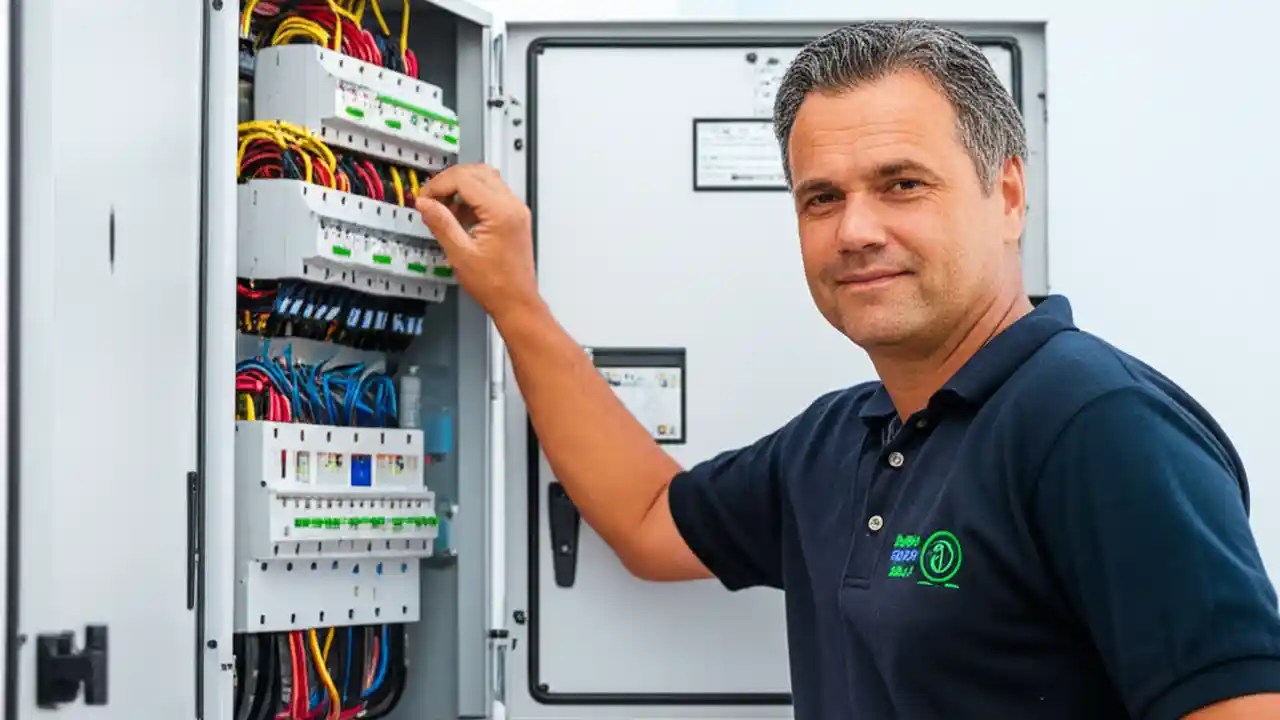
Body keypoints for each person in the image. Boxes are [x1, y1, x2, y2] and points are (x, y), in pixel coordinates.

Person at [414, 19, 1280, 720]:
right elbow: (646, 517)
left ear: (1008, 195)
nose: (854, 230)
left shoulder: (1095, 425)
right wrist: (514, 301)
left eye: (902, 184)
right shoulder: (839, 440)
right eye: (820, 198)